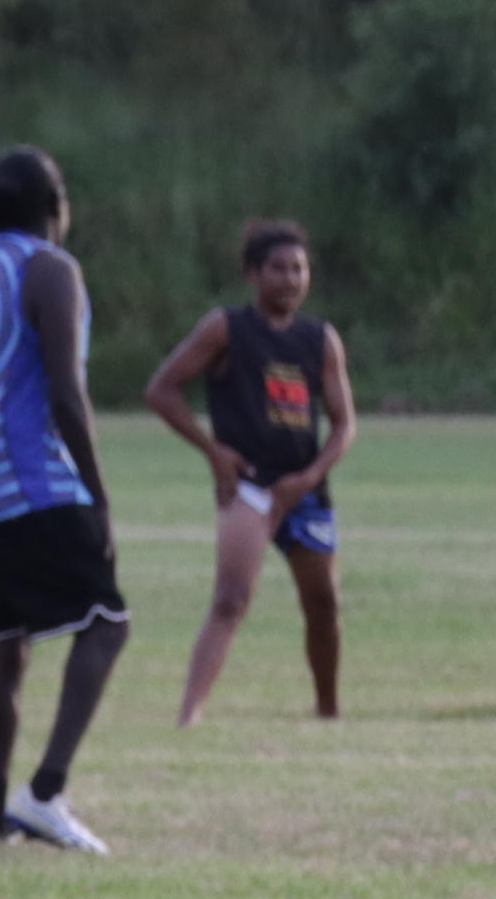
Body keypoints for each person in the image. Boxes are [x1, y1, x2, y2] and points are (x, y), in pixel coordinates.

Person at [0, 145, 124, 852]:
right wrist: (98, 494)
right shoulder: (51, 269)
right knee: (107, 621)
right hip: (29, 480)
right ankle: (44, 794)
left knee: (4, 646)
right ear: (59, 208)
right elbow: (65, 393)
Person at [142, 220, 356, 726]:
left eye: (299, 269)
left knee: (323, 604)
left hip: (302, 489)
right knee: (232, 600)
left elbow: (345, 424)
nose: (290, 279)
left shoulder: (320, 339)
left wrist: (308, 479)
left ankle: (328, 712)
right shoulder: (226, 328)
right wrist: (213, 452)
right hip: (251, 486)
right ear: (252, 274)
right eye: (278, 269)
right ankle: (189, 715)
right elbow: (162, 390)